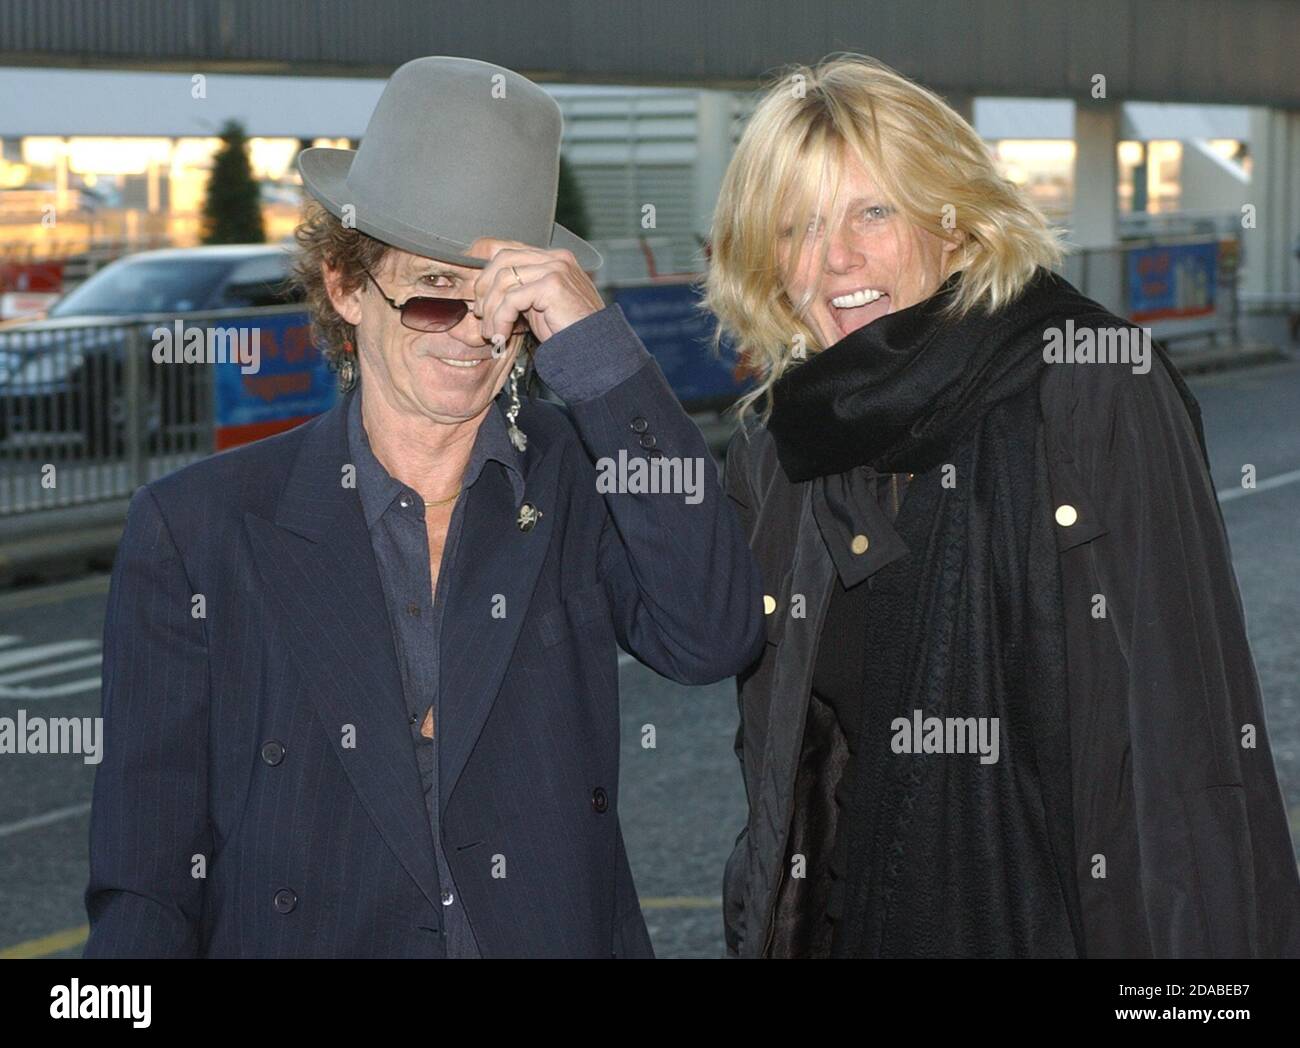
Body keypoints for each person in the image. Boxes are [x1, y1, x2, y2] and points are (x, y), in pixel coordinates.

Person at [83, 55, 765, 958]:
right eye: (437, 297)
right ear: (346, 284)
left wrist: (600, 355)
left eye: (506, 302)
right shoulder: (199, 528)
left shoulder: (576, 477)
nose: (478, 336)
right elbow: (147, 873)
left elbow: (713, 635)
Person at [707, 54, 1300, 958]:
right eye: (799, 227)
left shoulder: (1091, 383)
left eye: (875, 211)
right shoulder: (786, 446)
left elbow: (1183, 747)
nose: (837, 260)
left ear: (956, 220)